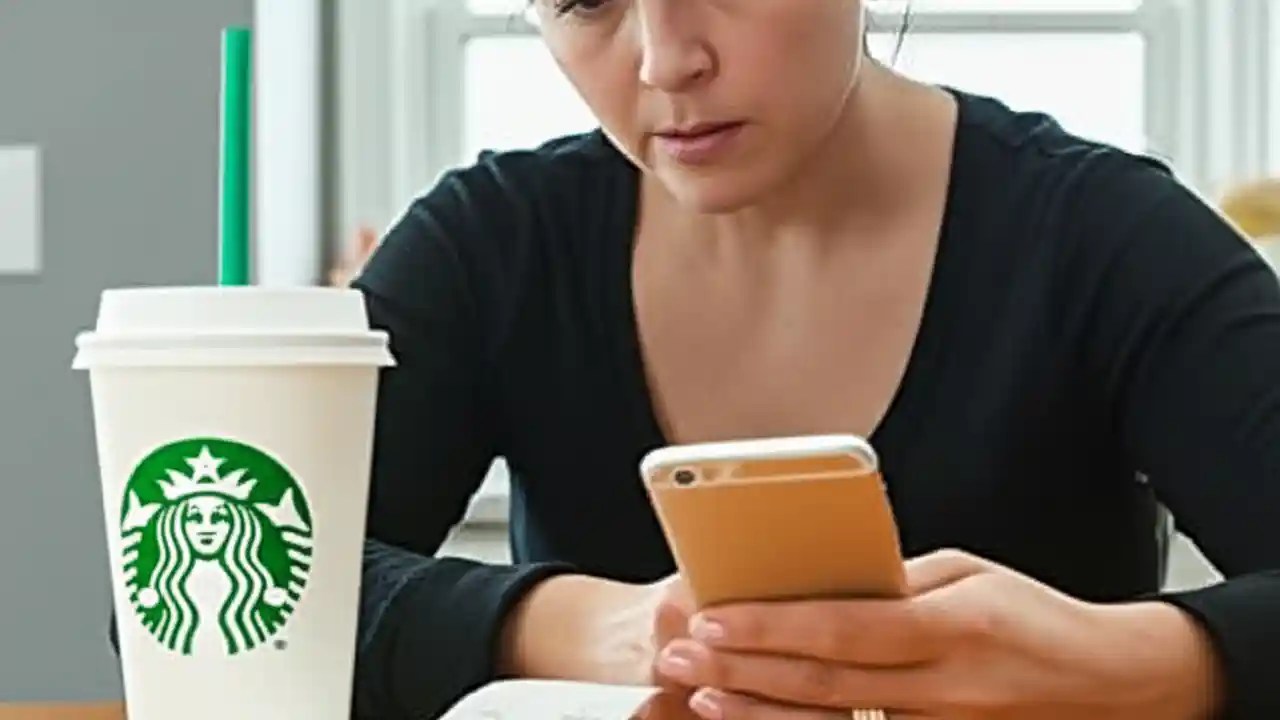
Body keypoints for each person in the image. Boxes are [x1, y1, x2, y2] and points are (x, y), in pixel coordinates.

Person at [349, 0, 1280, 718]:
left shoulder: (1106, 238)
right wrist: (579, 628)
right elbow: (283, 581)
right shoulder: (488, 246)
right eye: (585, 0)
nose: (667, 60)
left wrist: (1137, 667)